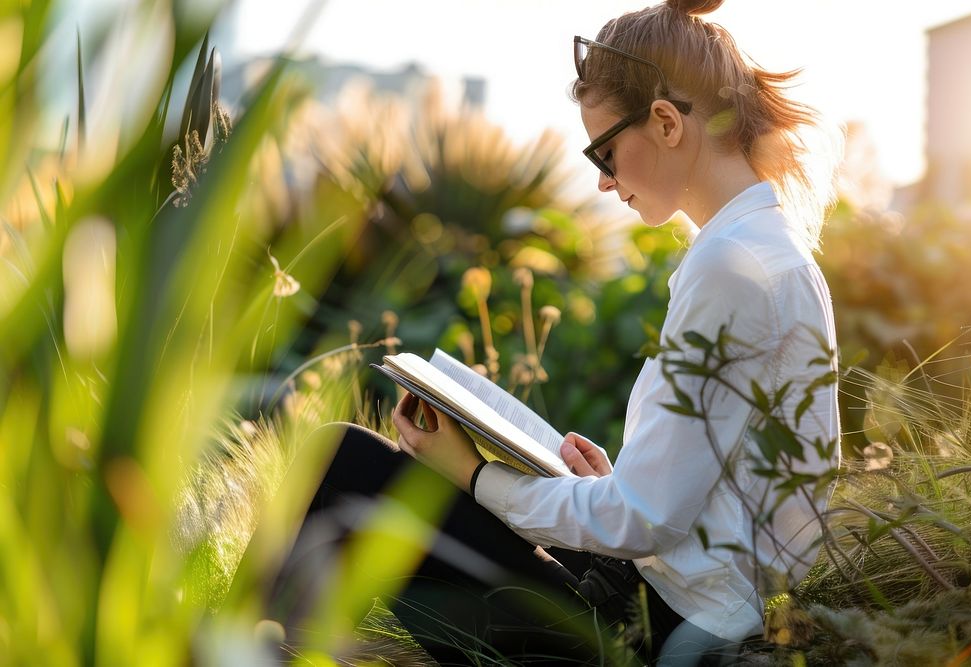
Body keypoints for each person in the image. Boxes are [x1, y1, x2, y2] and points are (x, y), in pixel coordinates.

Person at [271, 0, 842, 664]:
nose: (602, 180)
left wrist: (473, 474)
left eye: (605, 151)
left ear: (666, 123)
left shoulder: (730, 265)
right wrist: (615, 481)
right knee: (366, 468)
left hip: (650, 636)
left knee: (342, 460)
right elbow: (719, 505)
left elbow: (646, 519)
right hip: (672, 600)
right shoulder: (769, 249)